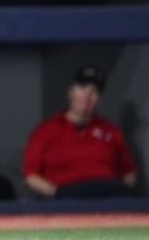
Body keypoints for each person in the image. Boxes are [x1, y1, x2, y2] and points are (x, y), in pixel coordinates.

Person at [22, 66, 137, 199]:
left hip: (109, 196)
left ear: (98, 98)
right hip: (66, 197)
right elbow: (31, 174)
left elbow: (129, 172)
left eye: (94, 92)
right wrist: (56, 193)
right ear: (71, 92)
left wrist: (121, 191)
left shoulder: (111, 130)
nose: (87, 96)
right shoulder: (44, 130)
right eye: (82, 88)